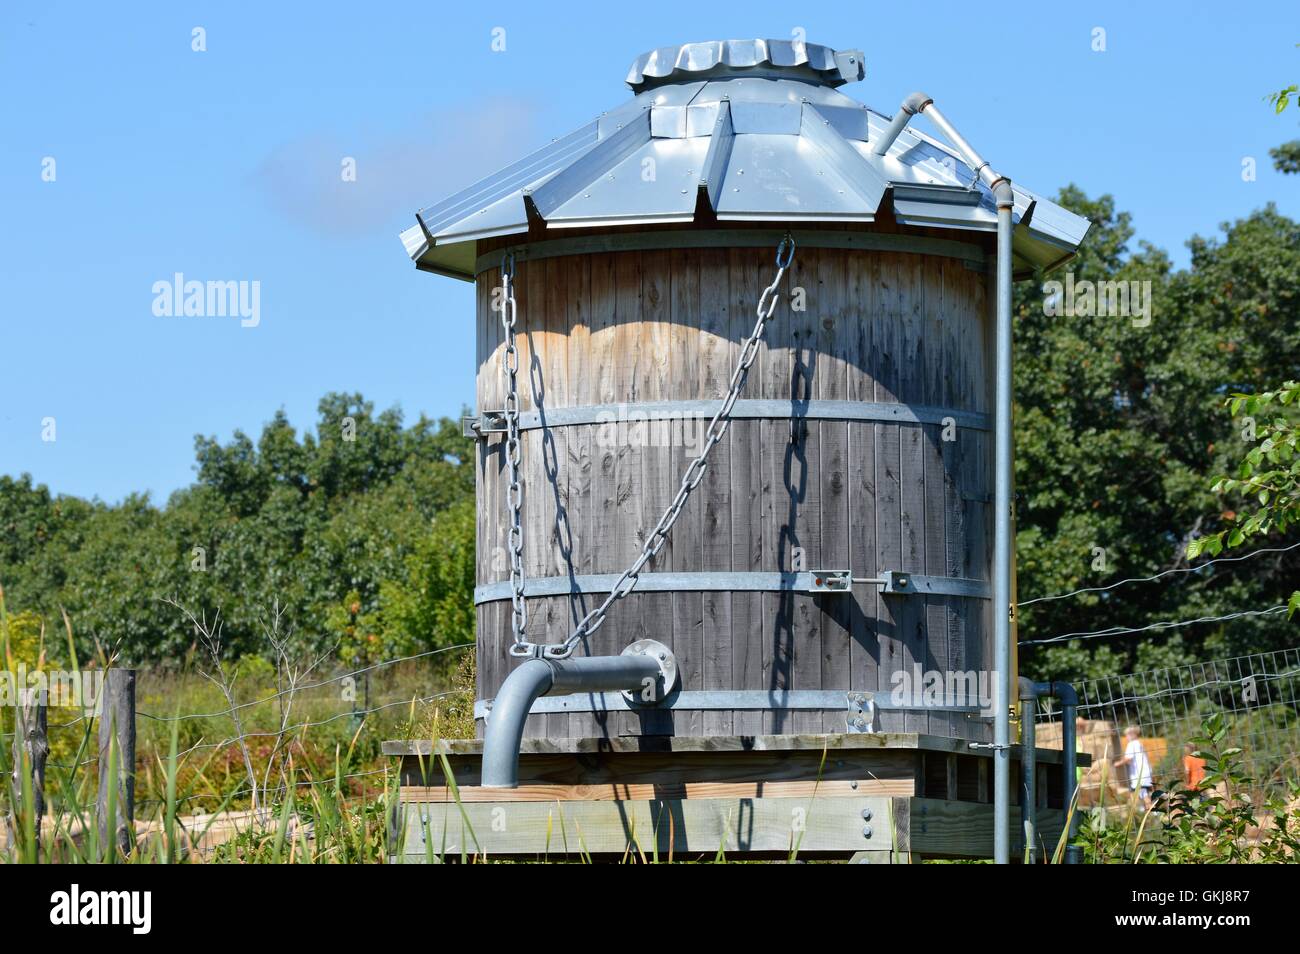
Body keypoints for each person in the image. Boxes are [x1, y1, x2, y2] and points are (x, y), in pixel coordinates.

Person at [1113, 724, 1154, 809]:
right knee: (1139, 794)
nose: (1126, 737)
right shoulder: (1138, 743)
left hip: (1139, 775)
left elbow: (1128, 758)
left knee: (1141, 795)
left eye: (1127, 735)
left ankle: (1151, 812)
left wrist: (1117, 763)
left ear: (1132, 735)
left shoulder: (1132, 744)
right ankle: (1142, 812)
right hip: (1144, 774)